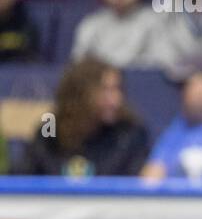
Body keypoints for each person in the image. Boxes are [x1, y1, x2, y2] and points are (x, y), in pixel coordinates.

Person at [15, 59, 151, 177]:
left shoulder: (130, 133)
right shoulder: (49, 129)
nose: (115, 100)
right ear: (79, 94)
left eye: (117, 89)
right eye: (105, 91)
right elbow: (27, 176)